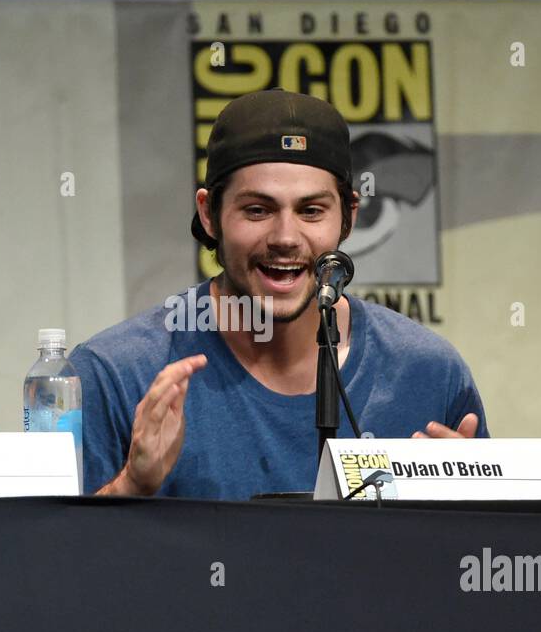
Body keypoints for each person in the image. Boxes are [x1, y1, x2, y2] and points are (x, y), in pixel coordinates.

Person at [71, 89, 487, 500]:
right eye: (257, 210)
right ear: (209, 214)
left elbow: (482, 555)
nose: (285, 238)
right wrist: (131, 487)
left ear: (349, 217)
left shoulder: (430, 375)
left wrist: (462, 514)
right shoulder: (116, 374)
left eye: (311, 211)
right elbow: (56, 558)